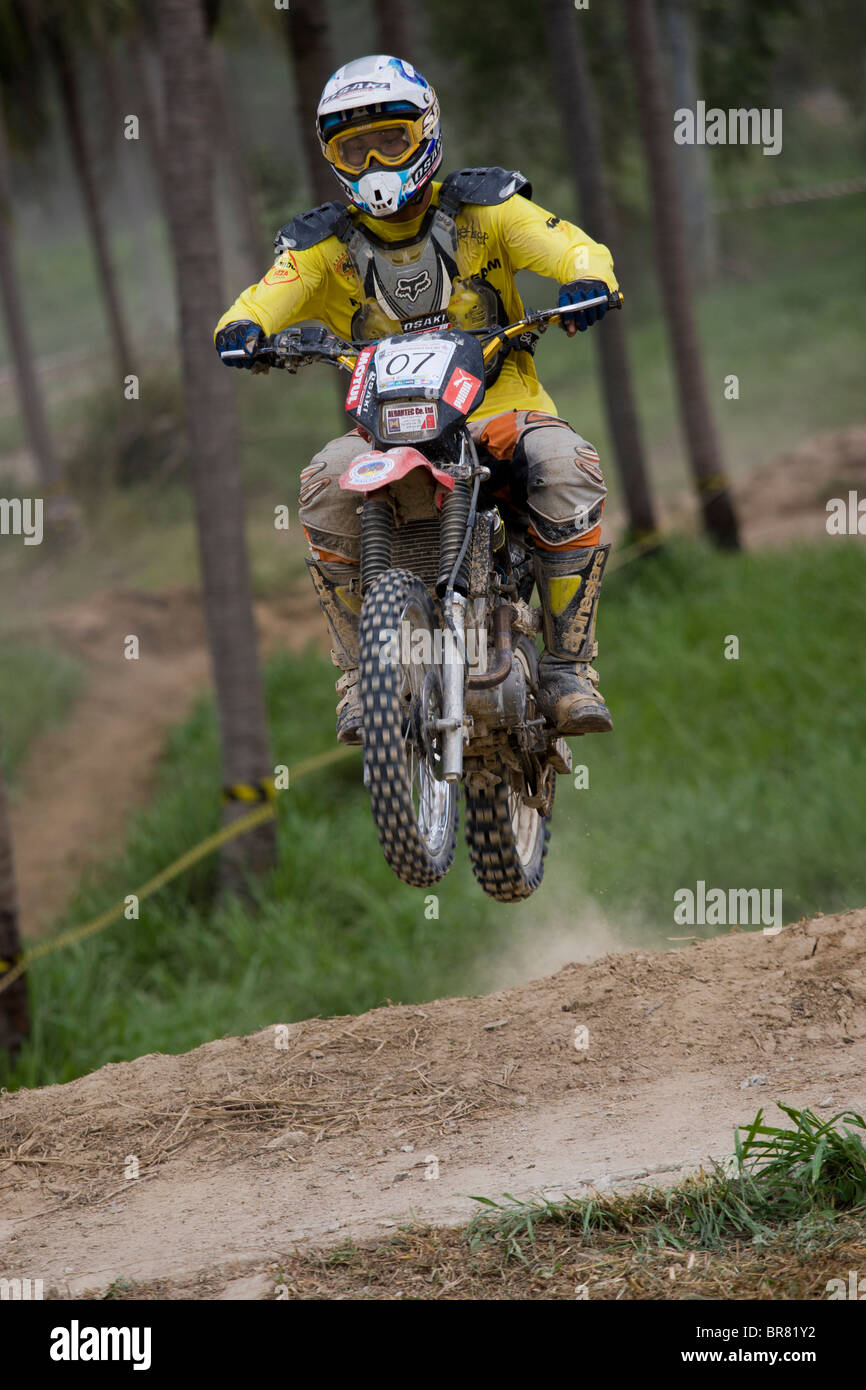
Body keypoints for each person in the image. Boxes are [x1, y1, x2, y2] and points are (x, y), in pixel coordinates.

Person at [216, 54, 617, 746]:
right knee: (320, 484)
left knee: (565, 464)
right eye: (353, 148)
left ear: (425, 133)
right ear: (330, 157)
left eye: (390, 141)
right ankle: (359, 675)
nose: (374, 161)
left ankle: (568, 668)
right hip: (385, 431)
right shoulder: (321, 247)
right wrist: (245, 332)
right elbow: (260, 298)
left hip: (500, 408)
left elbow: (571, 247)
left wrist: (585, 281)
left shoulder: (487, 209)